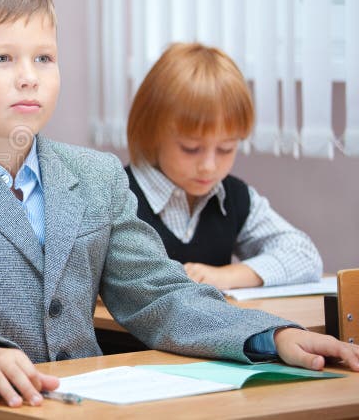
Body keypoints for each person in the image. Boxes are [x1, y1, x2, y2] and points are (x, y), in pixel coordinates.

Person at [0, 0, 359, 418]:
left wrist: (273, 336)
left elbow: (159, 296)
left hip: (88, 410)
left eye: (44, 58)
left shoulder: (97, 176)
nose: (29, 77)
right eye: (3, 58)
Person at [125, 43, 323, 290]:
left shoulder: (232, 197)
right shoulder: (119, 197)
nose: (209, 166)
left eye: (226, 149)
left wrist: (229, 275)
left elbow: (304, 255)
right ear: (151, 133)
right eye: (190, 148)